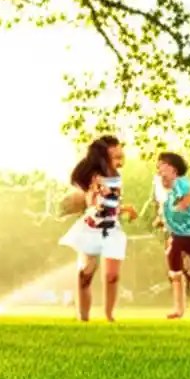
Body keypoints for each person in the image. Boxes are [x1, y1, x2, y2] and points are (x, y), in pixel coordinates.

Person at [57, 135, 138, 322]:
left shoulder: (116, 177)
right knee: (85, 274)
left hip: (111, 229)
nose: (119, 151)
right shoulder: (92, 175)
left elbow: (111, 204)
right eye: (115, 147)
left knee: (112, 275)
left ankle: (109, 315)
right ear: (106, 151)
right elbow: (90, 198)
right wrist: (90, 196)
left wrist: (125, 208)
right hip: (91, 228)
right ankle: (83, 317)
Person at [153, 152, 190, 321]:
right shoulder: (158, 186)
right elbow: (162, 206)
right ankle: (178, 309)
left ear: (174, 170)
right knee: (173, 265)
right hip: (177, 235)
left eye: (163, 165)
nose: (159, 168)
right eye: (158, 165)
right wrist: (161, 220)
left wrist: (185, 202)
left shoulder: (182, 183)